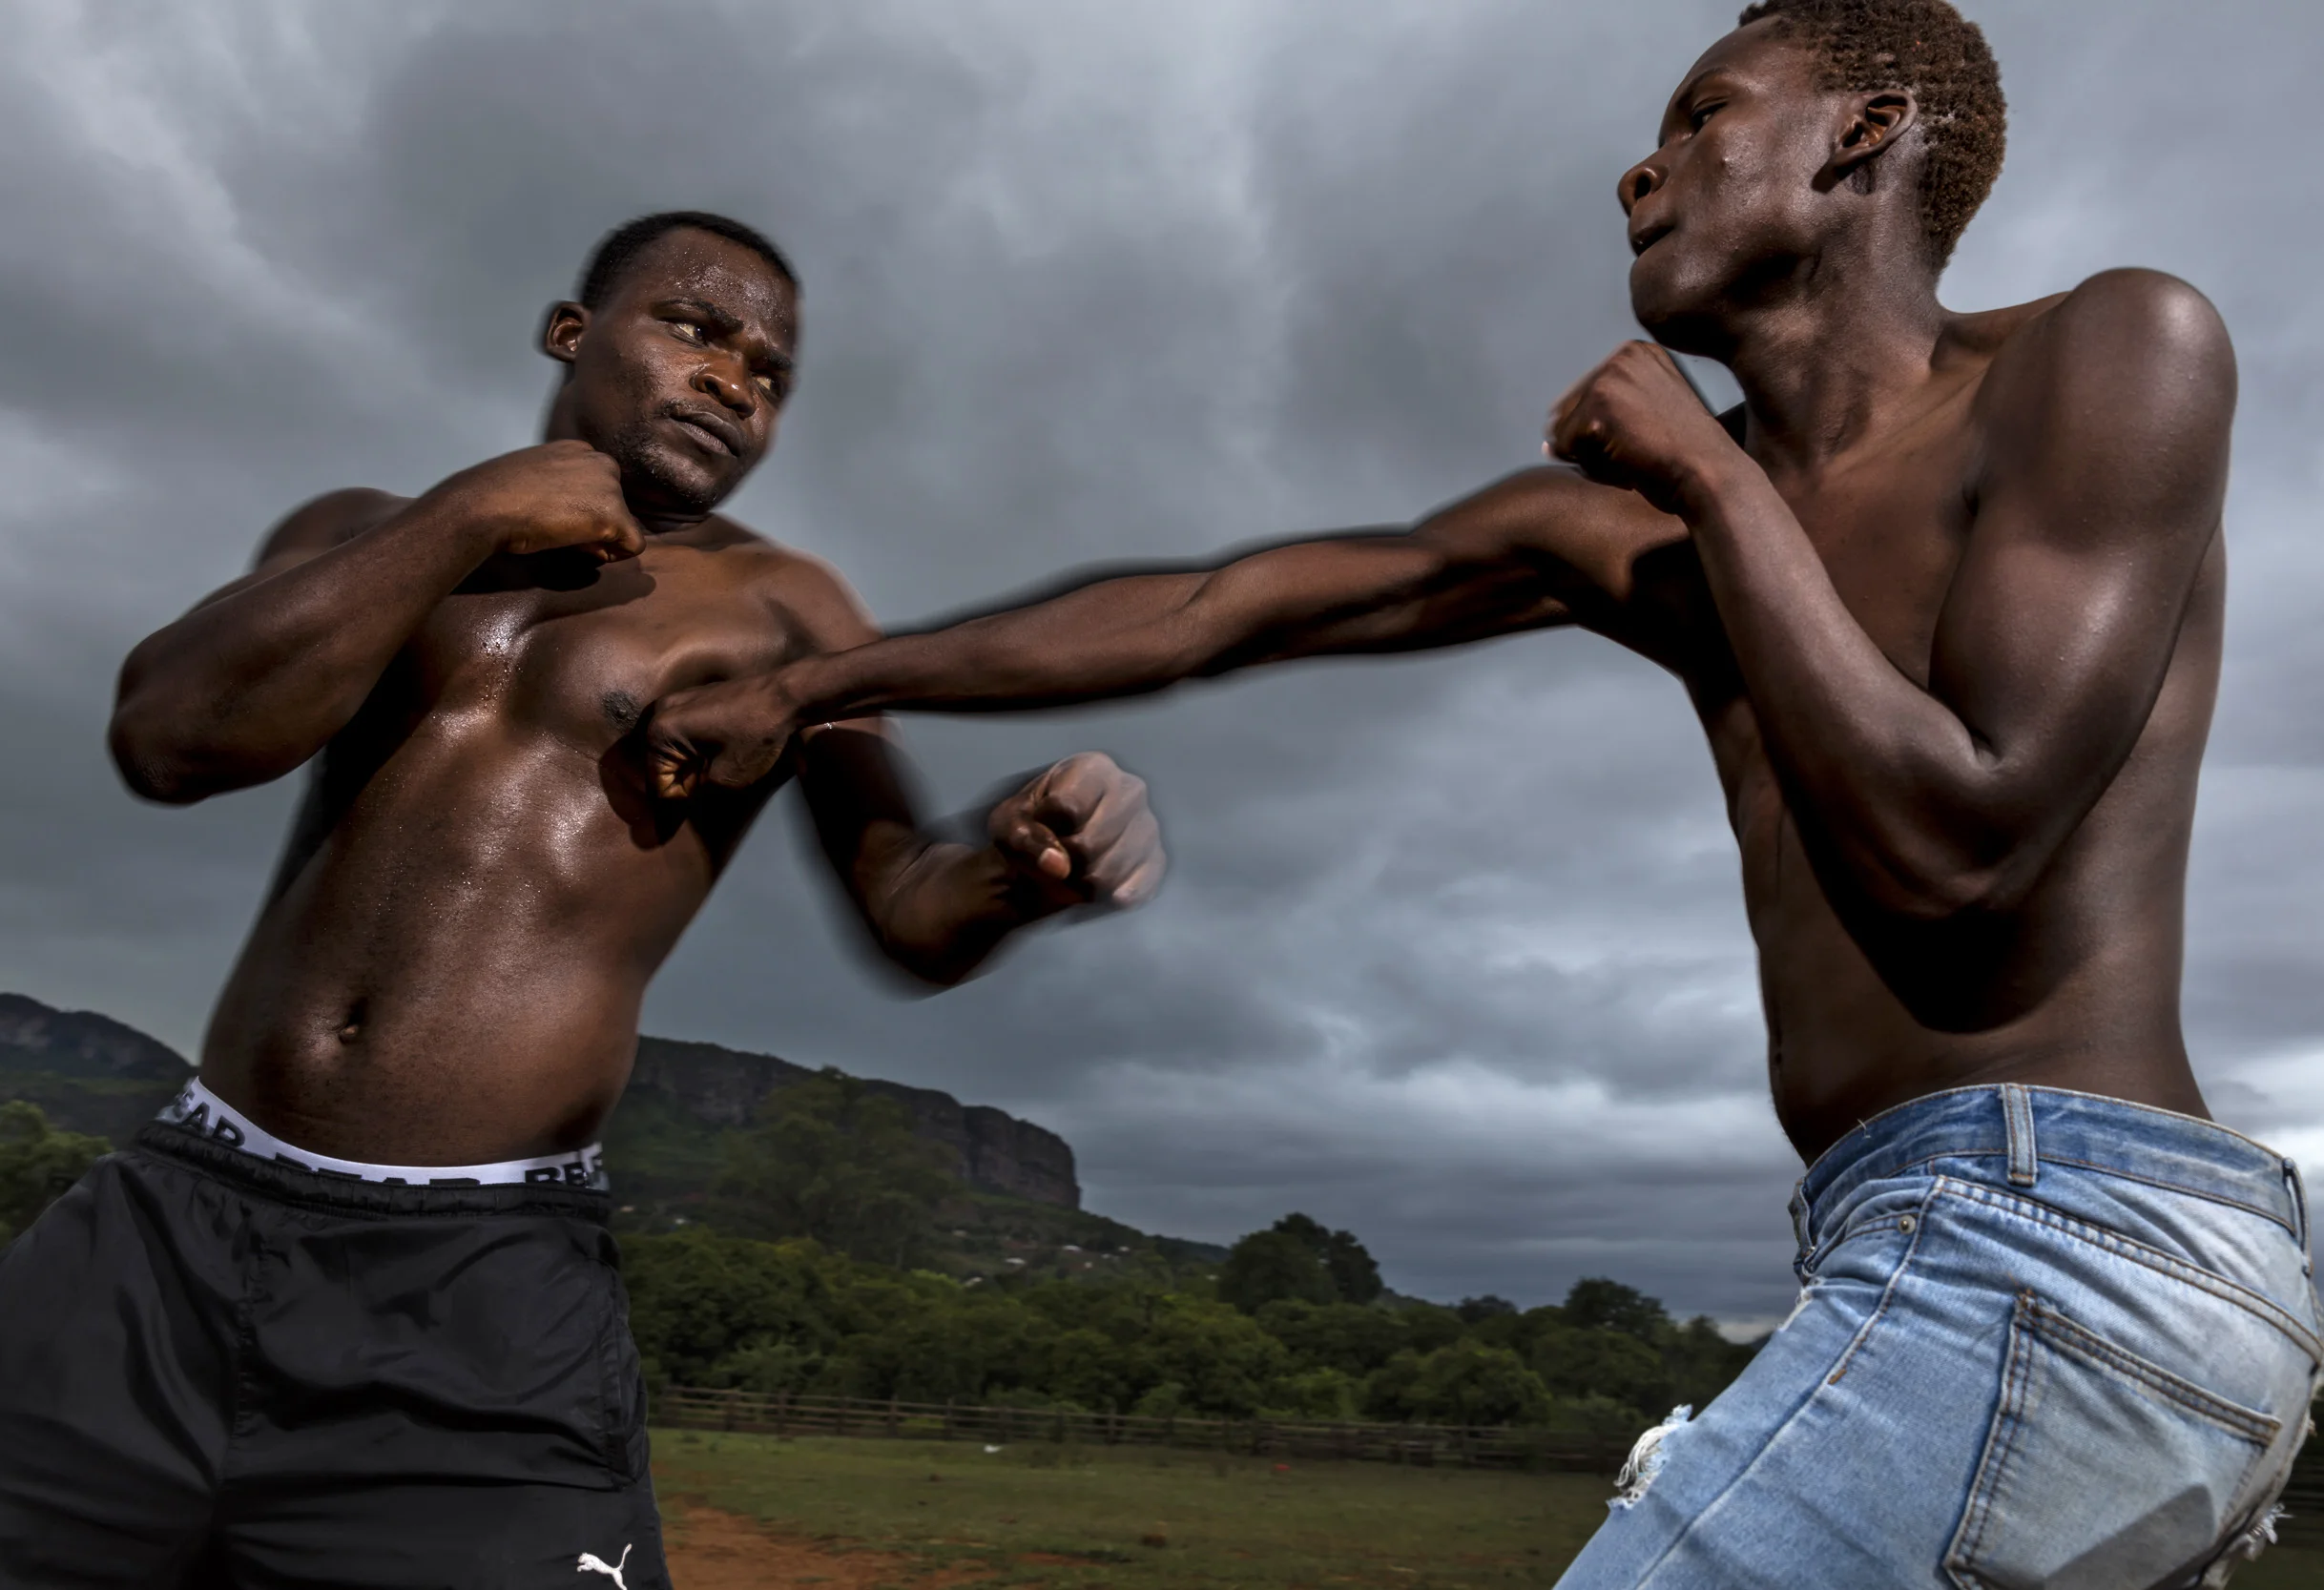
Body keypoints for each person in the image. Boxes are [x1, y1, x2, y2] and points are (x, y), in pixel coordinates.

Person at [642, 4, 2320, 1583]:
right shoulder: (1639, 536)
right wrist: (808, 687)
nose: (1639, 168)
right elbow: (1214, 608)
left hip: (2063, 1231)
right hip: (1910, 1237)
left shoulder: (2110, 349)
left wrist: (1713, 479)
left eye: (1705, 115)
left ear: (1860, 134)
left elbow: (1967, 848)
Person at [0, 211, 1162, 1589]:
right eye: (695, 329)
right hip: (169, 1226)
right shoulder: (362, 534)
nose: (735, 381)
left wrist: (1021, 864)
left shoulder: (790, 612)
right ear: (572, 333)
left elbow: (908, 900)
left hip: (476, 1280)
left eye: (769, 370)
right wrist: (467, 514)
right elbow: (172, 736)